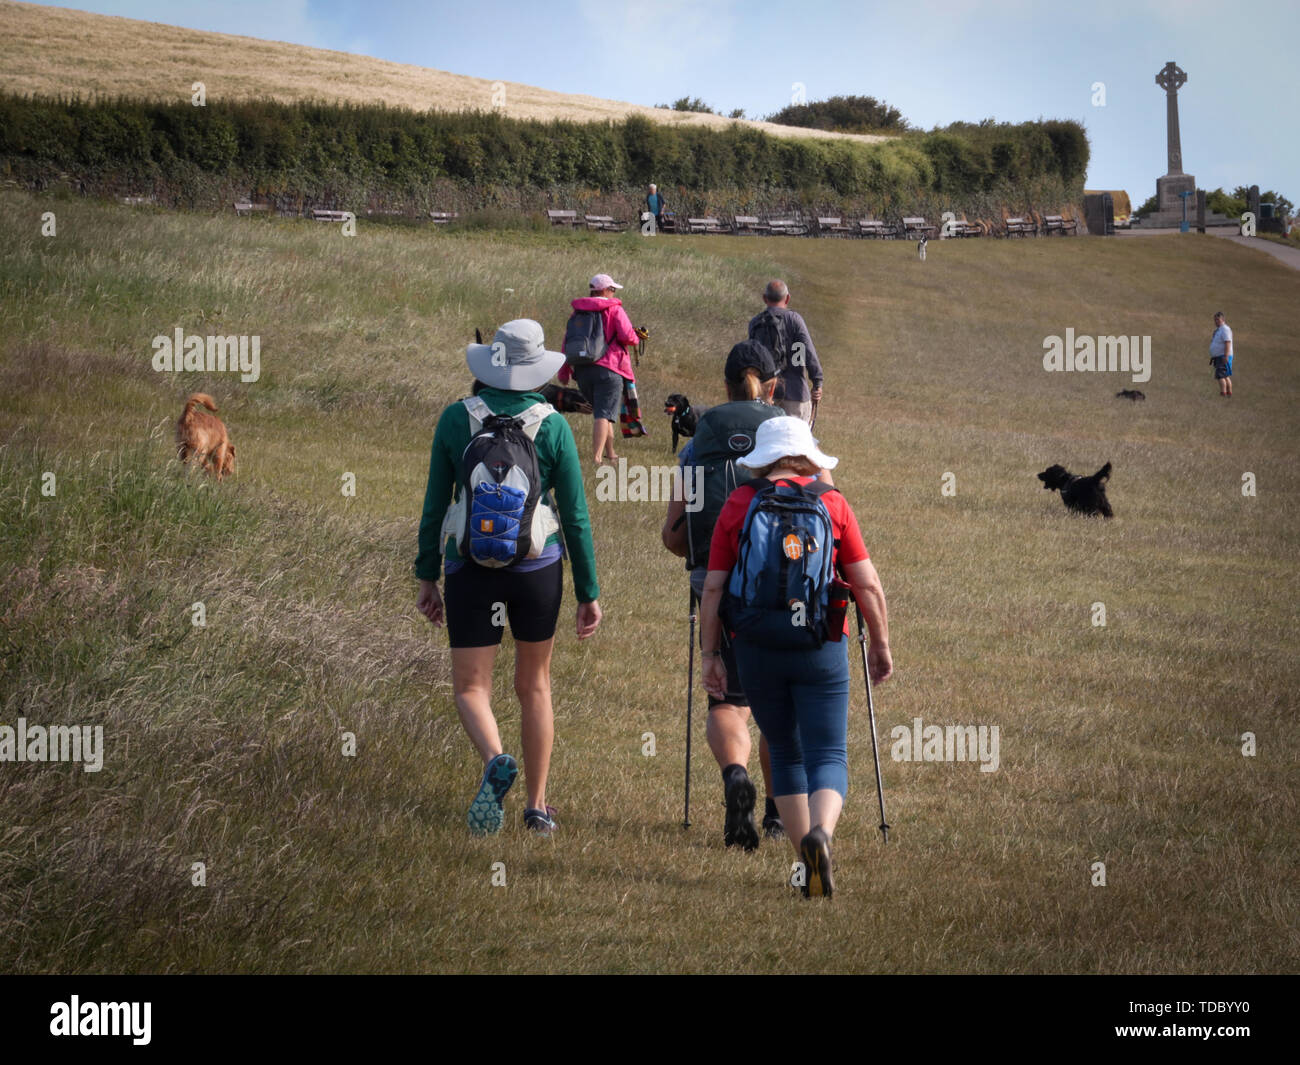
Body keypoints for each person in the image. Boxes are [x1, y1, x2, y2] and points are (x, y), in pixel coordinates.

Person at [416, 319, 602, 837]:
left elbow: (435, 506)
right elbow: (576, 516)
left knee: (472, 688)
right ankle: (537, 807)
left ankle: (496, 759)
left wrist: (427, 576)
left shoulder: (457, 419)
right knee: (534, 685)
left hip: (469, 566)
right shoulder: (555, 426)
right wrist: (589, 592)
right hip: (536, 569)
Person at [699, 417, 892, 897]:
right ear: (808, 459)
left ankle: (804, 863)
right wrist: (882, 645)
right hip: (820, 645)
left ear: (762, 460)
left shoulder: (739, 504)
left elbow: (714, 587)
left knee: (783, 748)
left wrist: (710, 655)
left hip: (757, 646)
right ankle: (820, 834)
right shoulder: (833, 502)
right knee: (827, 751)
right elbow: (865, 582)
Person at [661, 340, 792, 847]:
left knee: (728, 700)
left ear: (725, 385)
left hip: (715, 588)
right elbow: (829, 507)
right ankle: (779, 815)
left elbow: (675, 534)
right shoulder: (790, 434)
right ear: (774, 385)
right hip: (784, 588)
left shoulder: (700, 443)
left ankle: (736, 777)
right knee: (778, 703)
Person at [558, 273, 643, 465]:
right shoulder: (614, 310)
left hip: (582, 370)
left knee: (602, 412)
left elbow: (567, 342)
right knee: (604, 414)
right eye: (612, 289)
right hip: (609, 368)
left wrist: (564, 371)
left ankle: (611, 453)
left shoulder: (577, 312)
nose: (613, 293)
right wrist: (637, 339)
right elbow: (627, 336)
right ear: (605, 290)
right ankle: (596, 458)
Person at [747, 280, 824, 422]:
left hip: (764, 396)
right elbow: (807, 351)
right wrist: (817, 382)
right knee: (796, 441)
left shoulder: (755, 322)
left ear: (765, 298)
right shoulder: (794, 320)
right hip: (795, 394)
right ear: (787, 298)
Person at [1209, 310, 1234, 397]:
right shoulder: (1218, 330)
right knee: (1225, 375)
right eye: (1215, 320)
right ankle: (1229, 393)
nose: (1216, 322)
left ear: (1223, 320)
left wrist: (1226, 356)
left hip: (1223, 356)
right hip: (1219, 356)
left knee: (1220, 376)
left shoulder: (1225, 329)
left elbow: (1227, 342)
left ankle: (1223, 393)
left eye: (1218, 320)